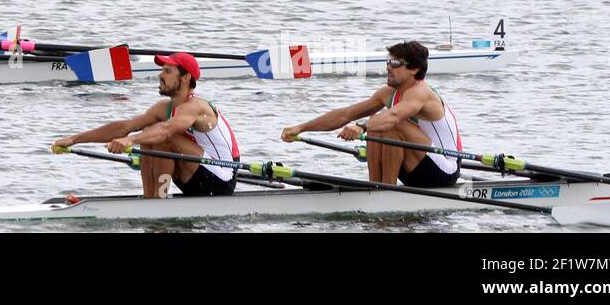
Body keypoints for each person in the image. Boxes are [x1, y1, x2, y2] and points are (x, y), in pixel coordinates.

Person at [52, 53, 240, 198]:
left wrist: (130, 140)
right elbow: (124, 127)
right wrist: (75, 139)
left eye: (168, 71)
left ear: (185, 78)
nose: (160, 74)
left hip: (222, 178)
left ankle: (158, 202)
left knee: (159, 135)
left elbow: (166, 131)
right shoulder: (165, 108)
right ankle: (151, 198)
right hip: (196, 175)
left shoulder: (196, 106)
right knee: (148, 133)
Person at [280, 41, 462, 188]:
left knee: (386, 123)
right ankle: (375, 187)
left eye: (396, 63)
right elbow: (345, 114)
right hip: (416, 165)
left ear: (414, 69)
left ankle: (384, 191)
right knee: (377, 124)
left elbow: (393, 117)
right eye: (388, 61)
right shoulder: (387, 93)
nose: (388, 67)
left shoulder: (421, 92)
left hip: (444, 170)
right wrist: (302, 127)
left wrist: (361, 127)